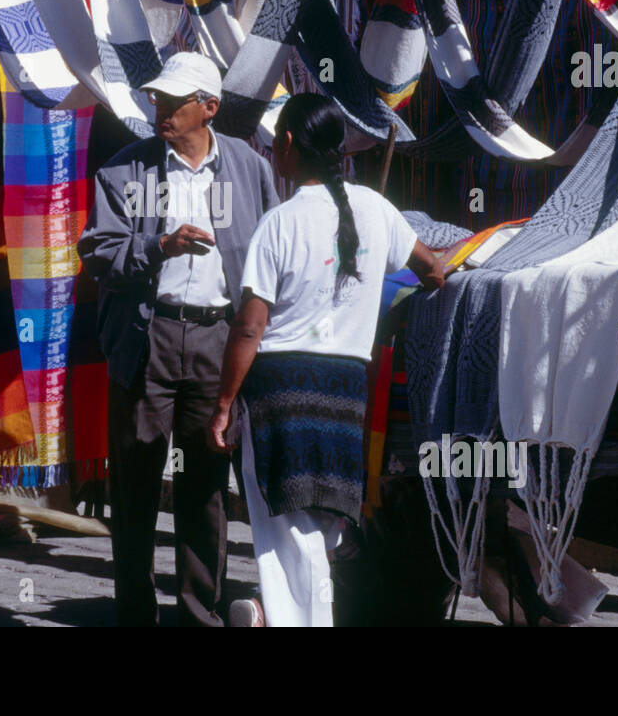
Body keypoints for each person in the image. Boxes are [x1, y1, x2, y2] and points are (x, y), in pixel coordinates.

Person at [207, 93, 445, 626]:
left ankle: (291, 619)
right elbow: (433, 270)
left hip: (280, 392)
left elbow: (250, 325)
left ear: (288, 144)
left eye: (275, 144)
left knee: (287, 526)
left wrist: (224, 403)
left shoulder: (280, 222)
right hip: (343, 389)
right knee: (322, 522)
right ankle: (286, 614)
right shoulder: (378, 210)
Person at [78, 52, 279, 626]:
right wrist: (158, 247)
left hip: (219, 340)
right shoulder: (124, 170)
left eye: (173, 101)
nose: (159, 109)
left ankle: (199, 613)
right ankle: (135, 613)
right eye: (157, 99)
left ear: (208, 108)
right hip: (150, 335)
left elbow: (269, 253)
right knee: (137, 481)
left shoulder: (248, 168)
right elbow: (98, 253)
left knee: (206, 484)